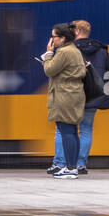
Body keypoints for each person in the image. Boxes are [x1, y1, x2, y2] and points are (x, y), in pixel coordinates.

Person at [50, 19, 109, 176]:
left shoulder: (69, 49)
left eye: (72, 30)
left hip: (73, 96)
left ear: (76, 32)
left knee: (63, 130)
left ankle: (60, 163)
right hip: (94, 97)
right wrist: (106, 95)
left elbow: (55, 71)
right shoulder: (102, 50)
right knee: (86, 130)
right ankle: (80, 164)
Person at [41, 22, 86, 180]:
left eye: (54, 37)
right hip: (72, 94)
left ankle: (70, 168)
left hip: (64, 95)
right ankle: (72, 166)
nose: (52, 40)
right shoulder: (74, 50)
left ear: (62, 38)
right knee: (72, 131)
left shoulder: (64, 52)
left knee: (66, 131)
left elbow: (49, 70)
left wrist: (48, 55)